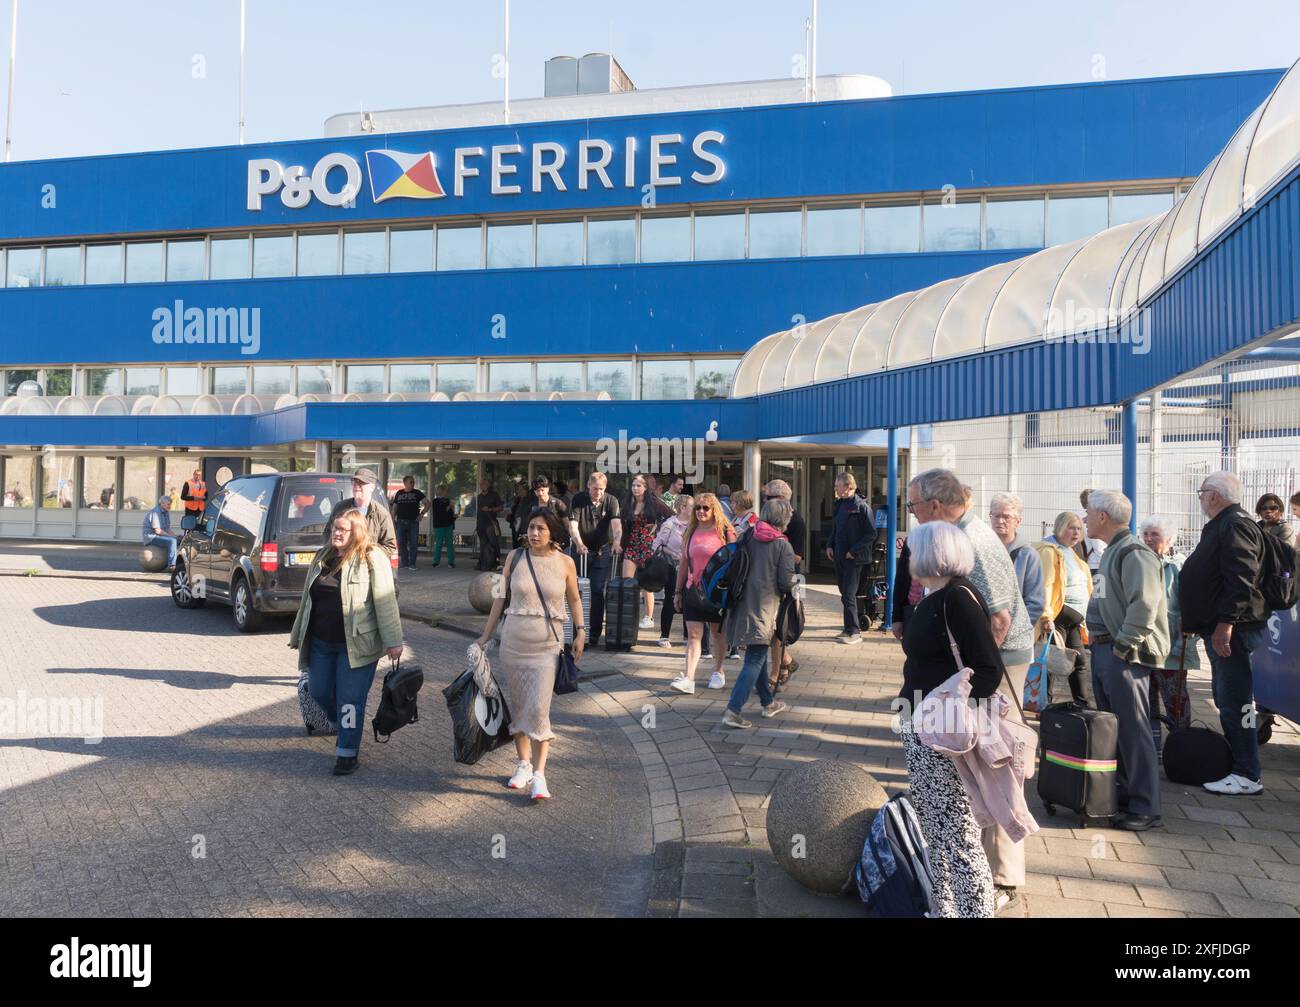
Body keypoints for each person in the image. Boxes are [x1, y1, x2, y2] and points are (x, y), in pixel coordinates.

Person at [906, 467, 1033, 910]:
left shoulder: (960, 584)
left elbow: (987, 652)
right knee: (941, 816)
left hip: (949, 720)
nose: (912, 516)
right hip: (929, 715)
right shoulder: (937, 591)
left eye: (914, 507)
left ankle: (989, 890)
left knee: (967, 809)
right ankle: (947, 902)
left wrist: (957, 715)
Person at [896, 520, 999, 918]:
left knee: (955, 828)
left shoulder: (957, 597)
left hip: (941, 733)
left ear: (930, 553)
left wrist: (944, 709)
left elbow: (986, 670)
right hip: (922, 724)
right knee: (935, 823)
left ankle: (973, 911)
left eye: (912, 550)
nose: (907, 557)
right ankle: (944, 909)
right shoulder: (935, 595)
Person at [475, 510, 586, 802]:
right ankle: (523, 764)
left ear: (552, 532)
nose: (534, 533)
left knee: (538, 709)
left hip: (547, 647)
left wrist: (581, 630)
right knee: (520, 705)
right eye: (530, 528)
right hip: (513, 644)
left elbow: (574, 599)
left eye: (540, 528)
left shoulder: (565, 562)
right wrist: (485, 637)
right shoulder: (514, 558)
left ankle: (540, 774)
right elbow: (499, 597)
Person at [289, 509, 404, 776]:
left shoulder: (372, 557)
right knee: (317, 691)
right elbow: (307, 601)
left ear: (358, 532)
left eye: (343, 529)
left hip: (358, 646)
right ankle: (340, 723)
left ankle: (347, 752)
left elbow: (385, 602)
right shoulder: (322, 556)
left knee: (350, 701)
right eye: (334, 529)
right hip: (321, 642)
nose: (336, 533)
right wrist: (297, 634)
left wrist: (393, 641)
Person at [1084, 489, 1169, 830]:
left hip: (1122, 654)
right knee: (1117, 729)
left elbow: (1145, 605)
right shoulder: (1113, 552)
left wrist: (1123, 645)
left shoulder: (1133, 553)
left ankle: (1145, 807)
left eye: (1088, 513)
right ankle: (1125, 794)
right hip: (1107, 650)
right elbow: (1105, 598)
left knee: (1133, 731)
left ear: (1103, 517)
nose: (1085, 519)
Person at [1180, 472, 1268, 796]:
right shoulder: (1226, 523)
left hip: (1235, 632)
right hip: (1226, 629)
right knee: (1227, 697)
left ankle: (1247, 773)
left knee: (1236, 699)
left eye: (1202, 492)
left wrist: (1225, 624)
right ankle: (1240, 765)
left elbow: (1242, 577)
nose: (1200, 498)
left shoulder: (1234, 524)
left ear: (1214, 495)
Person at [720, 497, 795, 728]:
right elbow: (785, 583)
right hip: (764, 609)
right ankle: (733, 711)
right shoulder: (783, 545)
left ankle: (768, 702)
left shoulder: (749, 535)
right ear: (783, 519)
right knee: (754, 659)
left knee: (757, 654)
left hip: (741, 605)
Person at [1139, 516, 1198, 757]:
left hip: (1171, 645)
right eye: (1147, 534)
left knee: (1175, 700)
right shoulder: (1138, 563)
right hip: (1143, 645)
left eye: (1155, 535)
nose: (1149, 539)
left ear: (1170, 539)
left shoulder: (1179, 566)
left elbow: (1189, 608)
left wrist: (1184, 641)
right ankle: (1153, 749)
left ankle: (1181, 749)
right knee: (1146, 699)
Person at [670, 492, 735, 694]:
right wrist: (678, 592)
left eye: (705, 508)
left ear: (714, 509)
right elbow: (684, 563)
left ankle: (719, 671)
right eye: (697, 507)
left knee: (717, 635)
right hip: (693, 590)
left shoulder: (725, 531)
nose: (700, 511)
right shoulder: (690, 531)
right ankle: (689, 678)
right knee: (694, 636)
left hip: (717, 593)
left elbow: (735, 560)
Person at [1035, 512, 1095, 703]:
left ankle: (1082, 704)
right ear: (1060, 528)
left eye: (1079, 528)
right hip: (1058, 616)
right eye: (1071, 527)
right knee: (1052, 663)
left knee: (1078, 663)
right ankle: (1044, 705)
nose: (1076, 532)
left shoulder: (1073, 554)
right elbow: (1046, 583)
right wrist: (1046, 616)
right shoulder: (1050, 550)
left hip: (1074, 620)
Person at [568, 471, 623, 647]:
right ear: (588, 486)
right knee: (577, 590)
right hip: (581, 551)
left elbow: (616, 524)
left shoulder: (611, 500)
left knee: (597, 590)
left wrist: (616, 541)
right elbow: (573, 525)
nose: (598, 492)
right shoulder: (578, 499)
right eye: (595, 489)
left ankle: (594, 633)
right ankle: (576, 629)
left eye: (601, 489)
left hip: (601, 551)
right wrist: (578, 542)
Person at [764, 479, 806, 687]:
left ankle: (775, 673)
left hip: (788, 581)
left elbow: (798, 557)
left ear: (780, 499)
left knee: (779, 629)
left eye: (768, 498)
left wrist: (777, 552)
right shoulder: (768, 522)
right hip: (768, 581)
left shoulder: (796, 522)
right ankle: (786, 662)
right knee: (774, 630)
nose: (765, 501)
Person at [826, 472, 876, 645]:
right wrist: (830, 545)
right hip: (839, 555)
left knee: (848, 594)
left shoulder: (861, 507)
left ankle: (854, 632)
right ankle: (848, 628)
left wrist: (853, 551)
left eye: (837, 485)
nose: (835, 488)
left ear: (847, 486)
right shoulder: (839, 504)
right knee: (844, 593)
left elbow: (871, 534)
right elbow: (836, 528)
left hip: (855, 559)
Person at [989, 493, 1047, 637]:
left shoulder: (1028, 555)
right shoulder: (981, 550)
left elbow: (1035, 603)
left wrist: (1009, 632)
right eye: (996, 516)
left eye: (1006, 517)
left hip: (1013, 638)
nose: (1000, 521)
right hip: (983, 635)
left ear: (1018, 521)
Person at [622, 474, 673, 631]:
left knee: (647, 583)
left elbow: (671, 516)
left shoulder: (654, 503)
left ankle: (648, 617)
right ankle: (628, 614)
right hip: (631, 546)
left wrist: (660, 531)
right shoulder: (628, 504)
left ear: (645, 488)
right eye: (633, 485)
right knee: (627, 582)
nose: (635, 488)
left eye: (639, 486)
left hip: (648, 546)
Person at [650, 494, 694, 647]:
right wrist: (672, 553)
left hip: (690, 568)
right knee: (670, 598)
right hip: (671, 566)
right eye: (692, 506)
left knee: (688, 600)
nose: (695, 510)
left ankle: (687, 636)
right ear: (683, 508)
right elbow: (657, 544)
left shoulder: (694, 525)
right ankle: (664, 636)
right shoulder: (670, 524)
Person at [325, 468, 396, 560]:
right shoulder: (340, 508)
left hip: (367, 568)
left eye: (361, 483)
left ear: (372, 487)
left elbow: (390, 546)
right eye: (354, 482)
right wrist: (336, 551)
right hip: (341, 563)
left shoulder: (381, 514)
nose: (356, 486)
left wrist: (367, 555)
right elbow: (327, 533)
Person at [391, 475, 430, 570]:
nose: (413, 483)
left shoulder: (417, 492)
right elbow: (394, 508)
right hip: (400, 522)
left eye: (413, 482)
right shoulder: (399, 493)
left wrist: (422, 514)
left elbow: (428, 503)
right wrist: (392, 520)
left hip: (413, 522)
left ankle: (412, 564)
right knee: (401, 543)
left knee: (413, 543)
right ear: (405, 483)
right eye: (411, 482)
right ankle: (404, 563)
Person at [142, 494, 179, 569]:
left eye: (170, 504)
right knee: (172, 541)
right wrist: (172, 537)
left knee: (179, 539)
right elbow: (157, 531)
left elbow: (167, 529)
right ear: (162, 504)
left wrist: (175, 536)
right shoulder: (155, 512)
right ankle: (172, 565)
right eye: (168, 504)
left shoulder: (166, 512)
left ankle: (179, 563)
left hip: (160, 535)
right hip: (151, 537)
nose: (170, 506)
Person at [475, 478, 504, 570]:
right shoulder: (479, 496)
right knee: (483, 544)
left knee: (493, 542)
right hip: (481, 523)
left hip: (490, 522)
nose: (481, 486)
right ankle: (483, 563)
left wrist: (490, 509)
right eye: (480, 484)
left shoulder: (494, 495)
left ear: (488, 485)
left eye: (483, 484)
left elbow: (500, 507)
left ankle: (496, 562)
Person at [1077, 487, 1108, 572]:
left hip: (1087, 564)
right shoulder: (1093, 522)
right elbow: (1098, 547)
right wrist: (1107, 566)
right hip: (1097, 566)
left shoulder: (1081, 520)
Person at [429, 484, 457, 568]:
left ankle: (451, 561)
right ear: (440, 492)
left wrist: (454, 516)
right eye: (445, 491)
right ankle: (436, 561)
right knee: (438, 543)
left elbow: (450, 513)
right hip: (439, 525)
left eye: (446, 491)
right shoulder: (435, 501)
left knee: (449, 544)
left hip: (448, 524)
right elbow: (439, 513)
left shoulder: (449, 500)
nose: (446, 493)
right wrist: (449, 507)